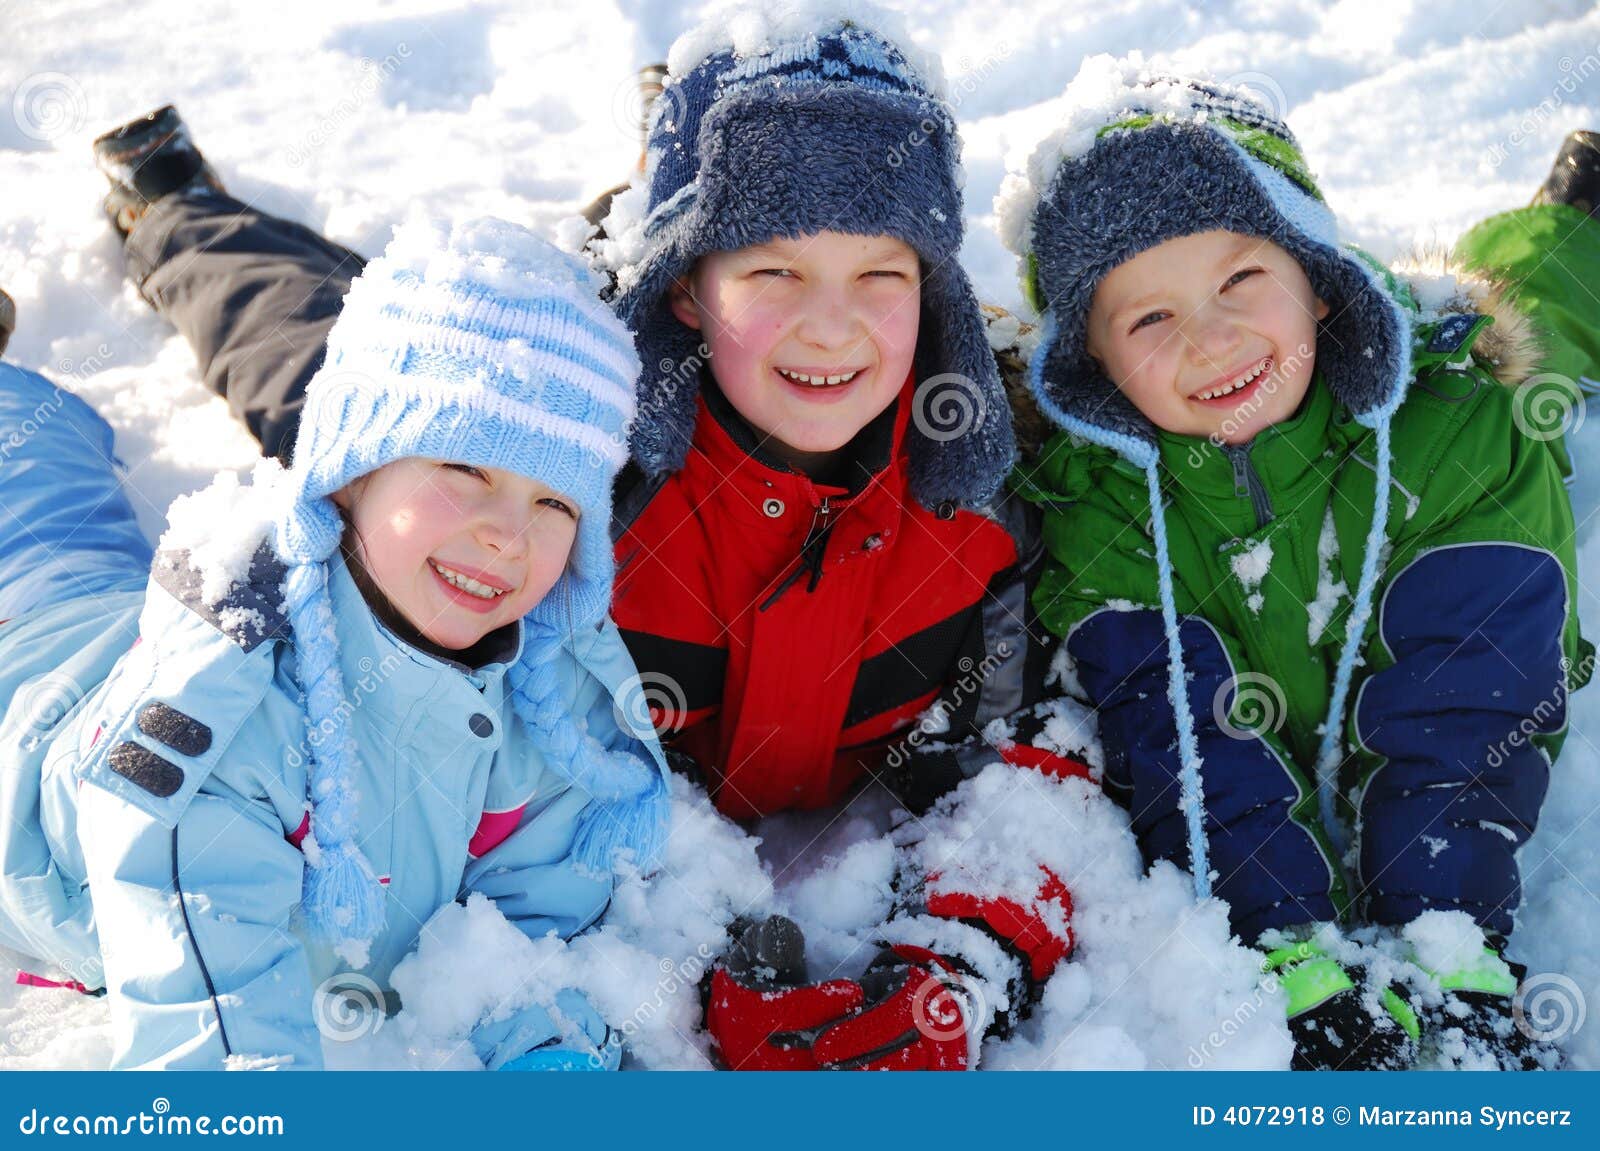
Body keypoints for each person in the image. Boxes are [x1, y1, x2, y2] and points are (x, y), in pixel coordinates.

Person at [86, 5, 1092, 1072]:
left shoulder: (982, 482)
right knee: (297, 342)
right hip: (526, 384)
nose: (832, 324)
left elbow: (1028, 754)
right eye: (771, 269)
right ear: (689, 293)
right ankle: (180, 216)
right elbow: (555, 794)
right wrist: (692, 949)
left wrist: (962, 963)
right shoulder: (555, 479)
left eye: (879, 274)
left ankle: (684, 181)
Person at [1002, 58, 1599, 1069]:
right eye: (1149, 318)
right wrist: (1285, 941)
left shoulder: (1458, 429)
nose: (1212, 337)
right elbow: (1183, 737)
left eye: (1241, 279)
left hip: (1416, 406)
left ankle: (1574, 214)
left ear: (1319, 287)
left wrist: (1446, 939)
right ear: (1091, 367)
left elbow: (1468, 701)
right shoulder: (1099, 507)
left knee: (1547, 310)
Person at [0, 216, 669, 1070]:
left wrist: (542, 1051)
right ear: (353, 472)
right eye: (466, 470)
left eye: (556, 504)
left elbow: (537, 917)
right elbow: (213, 1011)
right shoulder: (229, 718)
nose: (510, 536)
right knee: (35, 490)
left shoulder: (554, 702)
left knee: (70, 521)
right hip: (28, 683)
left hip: (107, 626)